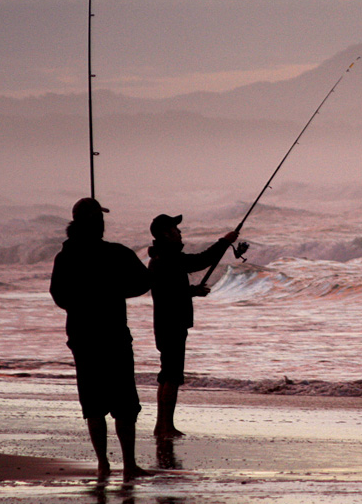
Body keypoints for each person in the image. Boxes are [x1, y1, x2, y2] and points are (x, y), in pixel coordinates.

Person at [50, 198, 152, 480]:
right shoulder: (116, 253)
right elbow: (144, 282)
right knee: (125, 403)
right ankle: (129, 465)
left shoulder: (65, 257)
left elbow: (59, 296)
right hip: (113, 335)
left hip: (82, 337)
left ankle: (103, 464)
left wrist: (83, 302)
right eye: (100, 219)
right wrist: (114, 291)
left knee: (92, 403)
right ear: (97, 223)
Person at [147, 213, 237, 438]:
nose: (180, 232)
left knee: (167, 375)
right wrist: (224, 242)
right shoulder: (168, 257)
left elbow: (169, 291)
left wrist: (192, 291)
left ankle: (162, 425)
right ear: (166, 234)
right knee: (172, 376)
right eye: (175, 229)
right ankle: (166, 426)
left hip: (166, 322)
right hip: (172, 324)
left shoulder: (161, 257)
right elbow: (201, 260)